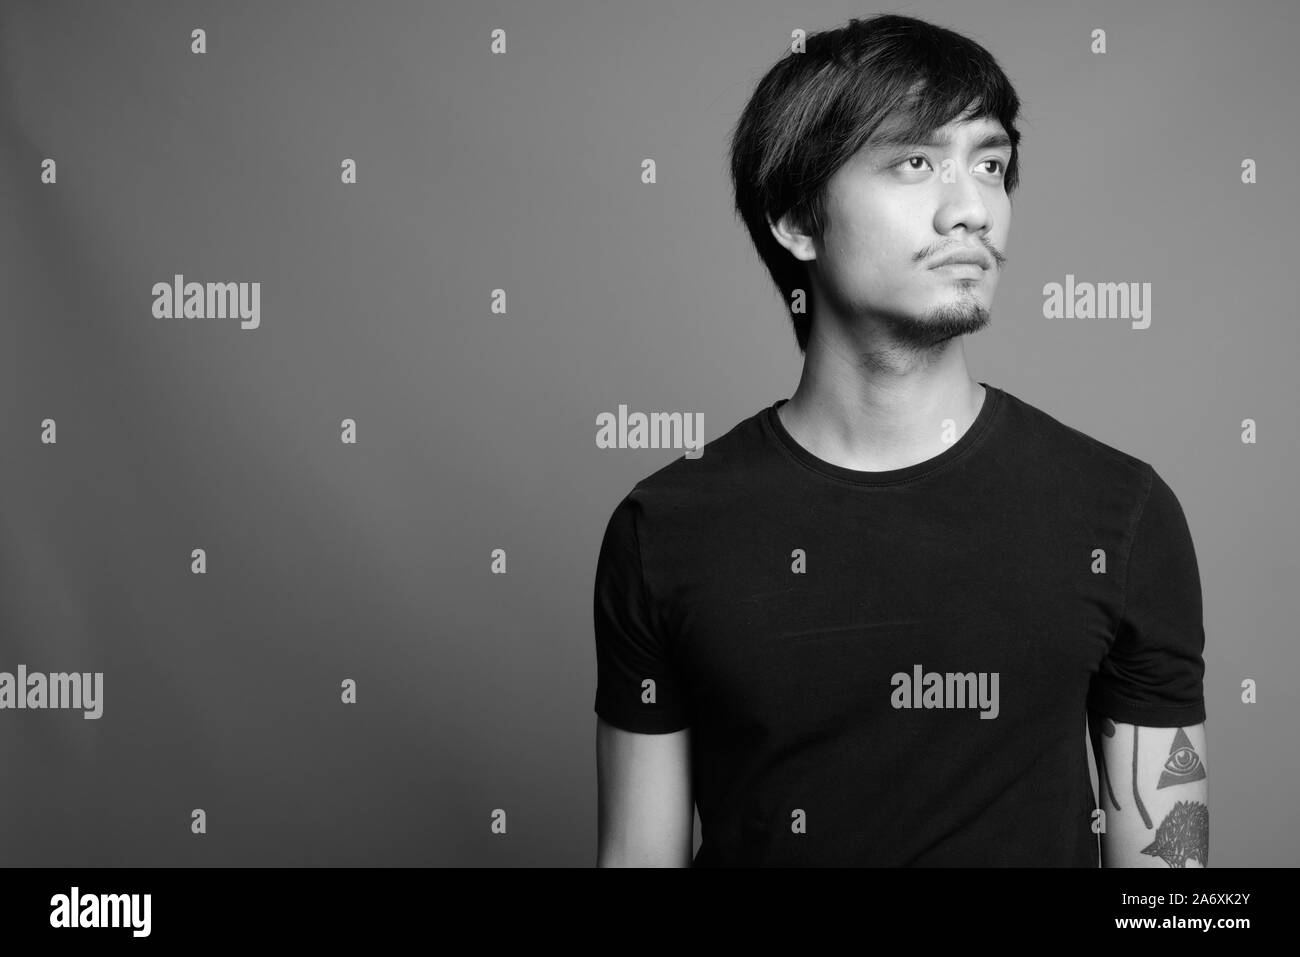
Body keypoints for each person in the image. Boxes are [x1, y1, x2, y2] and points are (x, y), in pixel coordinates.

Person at [593, 13, 1208, 867]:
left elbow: (1167, 888)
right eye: (916, 162)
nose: (972, 210)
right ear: (797, 221)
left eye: (989, 165)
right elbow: (637, 857)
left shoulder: (1122, 514)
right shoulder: (664, 528)